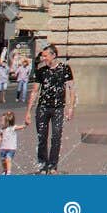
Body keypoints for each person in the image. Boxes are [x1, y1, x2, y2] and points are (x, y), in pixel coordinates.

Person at [24, 45, 74, 174]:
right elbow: (35, 91)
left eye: (46, 56)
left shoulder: (65, 69)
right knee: (42, 137)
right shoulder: (41, 71)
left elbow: (71, 89)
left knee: (56, 137)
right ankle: (43, 164)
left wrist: (70, 107)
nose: (43, 58)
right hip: (42, 108)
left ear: (54, 55)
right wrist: (28, 111)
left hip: (58, 108)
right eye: (42, 56)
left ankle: (53, 166)